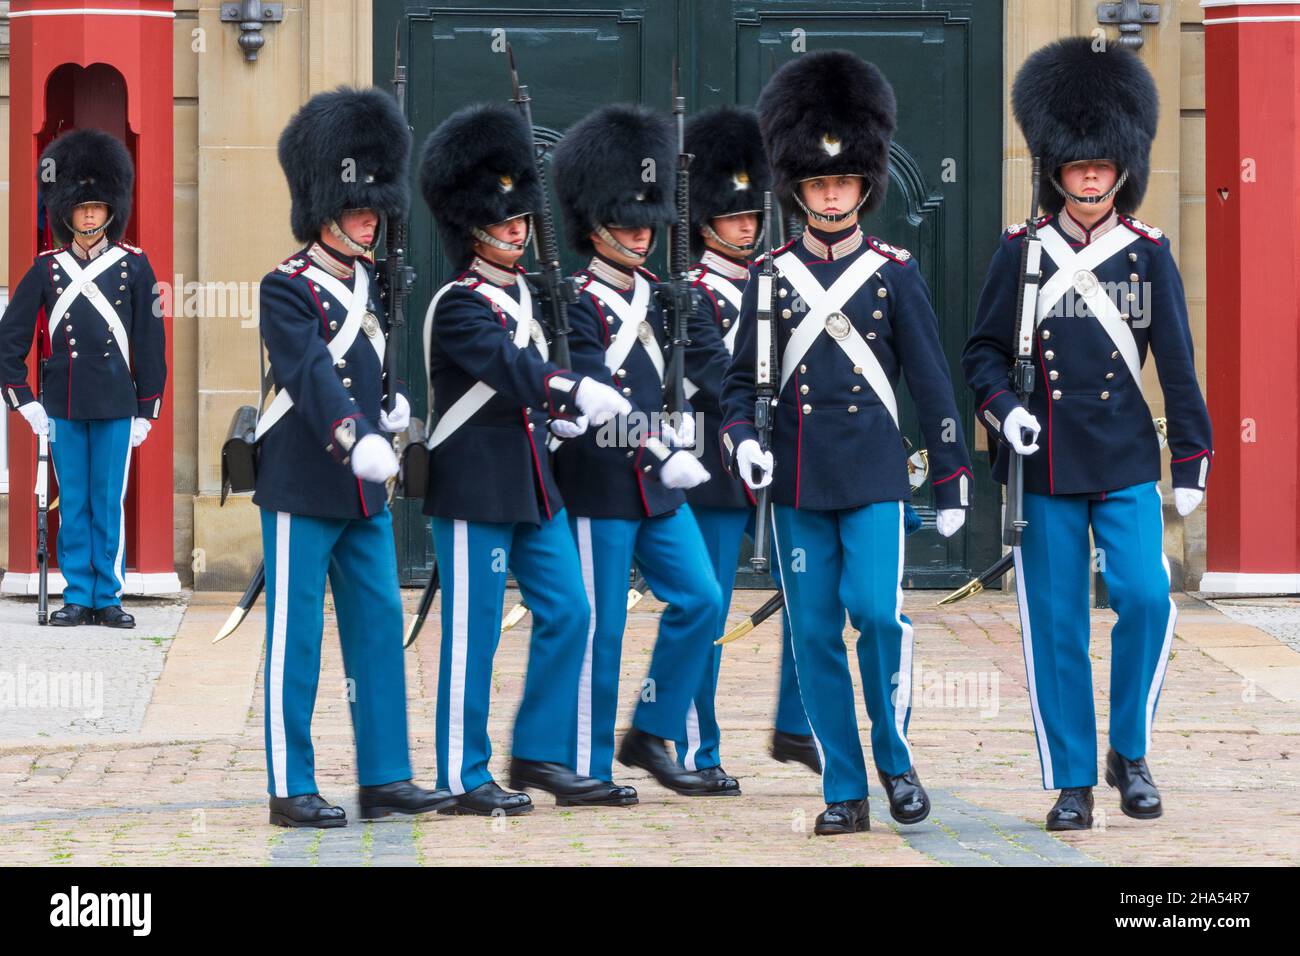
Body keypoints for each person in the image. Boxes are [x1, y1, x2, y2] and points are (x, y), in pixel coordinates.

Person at [962, 37, 1212, 831]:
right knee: (1055, 620)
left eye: (1104, 164)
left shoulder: (1146, 255)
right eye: (1078, 165)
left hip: (1124, 457)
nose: (1092, 175)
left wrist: (1194, 454)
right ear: (1057, 170)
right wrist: (1007, 409)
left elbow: (1175, 361)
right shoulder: (1021, 252)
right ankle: (1072, 777)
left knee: (1146, 597)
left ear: (1122, 167)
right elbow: (981, 353)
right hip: (1045, 464)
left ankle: (1129, 750)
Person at [721, 51, 974, 835]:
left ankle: (894, 758)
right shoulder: (767, 276)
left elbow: (931, 379)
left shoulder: (894, 274)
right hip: (797, 478)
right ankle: (844, 786)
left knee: (878, 613)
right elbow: (737, 385)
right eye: (819, 184)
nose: (831, 194)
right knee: (813, 635)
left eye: (844, 183)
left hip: (871, 475)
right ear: (798, 189)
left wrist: (953, 477)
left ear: (864, 186)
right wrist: (739, 440)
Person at [418, 103, 637, 814]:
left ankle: (539, 751)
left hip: (534, 485)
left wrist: (569, 409)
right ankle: (462, 772)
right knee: (473, 636)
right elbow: (506, 367)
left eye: (522, 222)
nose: (517, 232)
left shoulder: (539, 296)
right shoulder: (458, 303)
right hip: (475, 485)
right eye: (506, 224)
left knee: (572, 612)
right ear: (475, 230)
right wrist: (567, 388)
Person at [254, 87, 443, 828]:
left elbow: (371, 367)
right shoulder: (286, 286)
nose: (371, 218)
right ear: (324, 207)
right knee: (295, 640)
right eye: (359, 207)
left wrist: (390, 408)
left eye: (375, 208)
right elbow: (308, 375)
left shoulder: (375, 279)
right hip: (306, 480)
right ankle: (289, 784)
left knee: (378, 629)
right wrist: (354, 433)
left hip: (366, 489)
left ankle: (386, 774)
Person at [551, 104, 732, 797]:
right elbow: (599, 400)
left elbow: (716, 372)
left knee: (702, 599)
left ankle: (651, 729)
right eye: (626, 223)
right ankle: (586, 765)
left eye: (646, 221)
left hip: (660, 486)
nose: (639, 234)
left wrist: (749, 420)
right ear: (595, 227)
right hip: (602, 480)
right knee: (601, 629)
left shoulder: (669, 297)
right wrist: (660, 447)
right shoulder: (573, 300)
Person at [676, 105, 818, 781]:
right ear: (707, 222)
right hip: (715, 465)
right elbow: (712, 376)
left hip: (788, 461)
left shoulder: (784, 280)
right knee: (708, 606)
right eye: (734, 218)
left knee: (811, 601)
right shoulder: (692, 294)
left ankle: (797, 725)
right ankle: (698, 749)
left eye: (751, 216)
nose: (747, 226)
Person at [0, 128, 165, 629]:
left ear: (110, 210)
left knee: (106, 503)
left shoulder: (134, 267)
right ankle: (77, 594)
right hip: (65, 404)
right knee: (73, 502)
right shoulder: (47, 269)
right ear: (66, 211)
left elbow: (150, 341)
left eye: (97, 207)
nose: (90, 215)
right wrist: (24, 401)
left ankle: (107, 596)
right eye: (81, 207)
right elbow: (11, 339)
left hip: (116, 404)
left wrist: (147, 408)